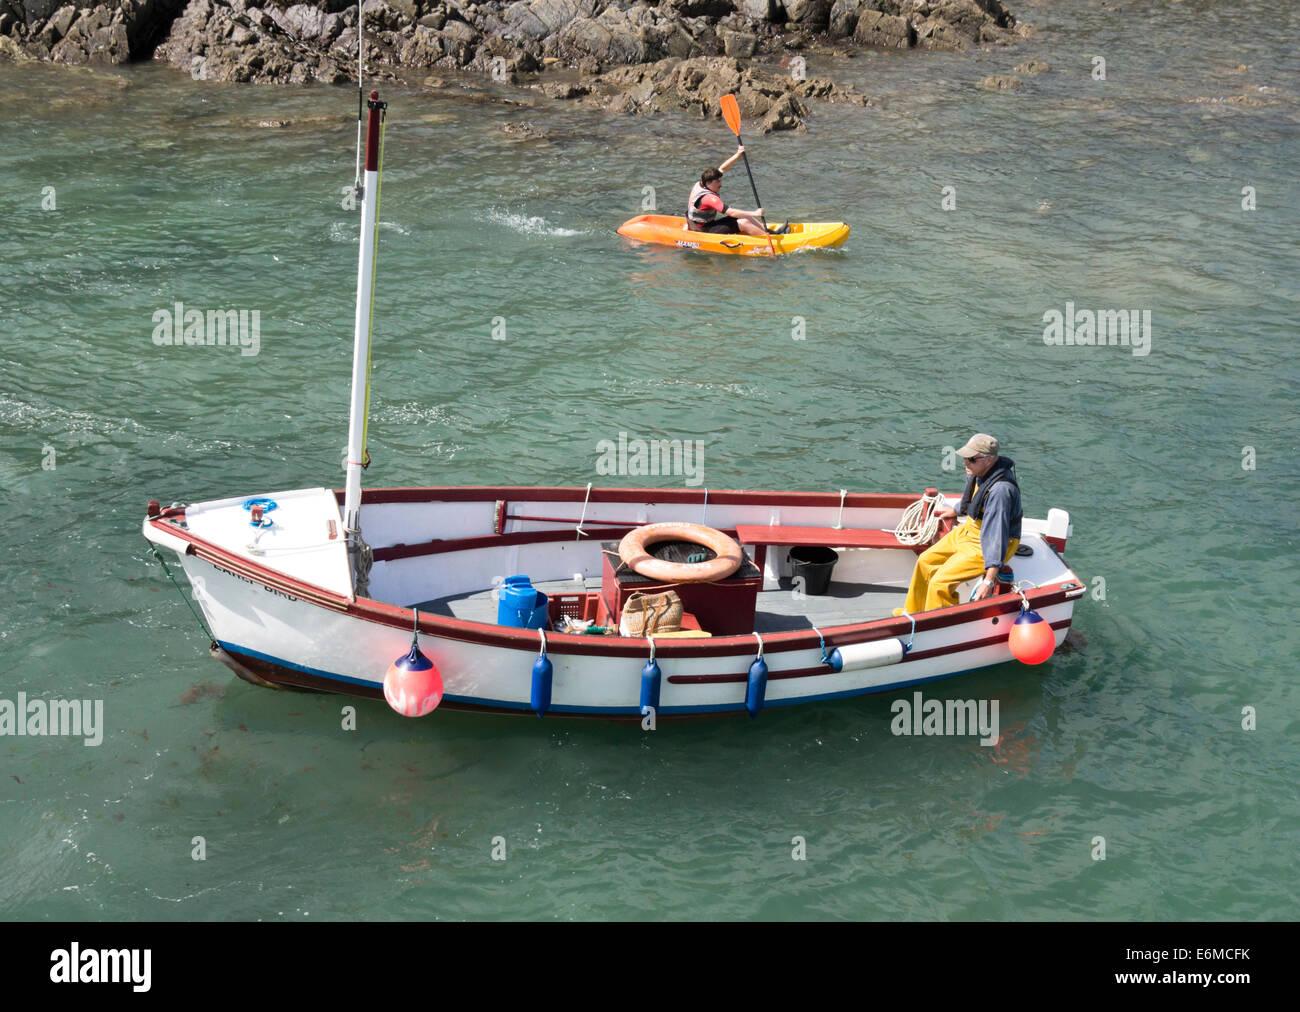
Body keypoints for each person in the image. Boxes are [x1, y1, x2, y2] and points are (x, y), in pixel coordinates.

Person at [894, 434, 1023, 615]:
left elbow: (996, 534)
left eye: (971, 459)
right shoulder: (979, 471)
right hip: (970, 529)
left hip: (987, 541)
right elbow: (973, 498)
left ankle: (936, 623)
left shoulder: (1000, 491)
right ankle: (913, 612)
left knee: (941, 582)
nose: (965, 463)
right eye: (964, 457)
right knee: (924, 561)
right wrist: (956, 510)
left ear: (990, 460)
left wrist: (989, 580)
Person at [686, 147, 784, 237]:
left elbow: (722, 169)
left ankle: (770, 232)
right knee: (743, 222)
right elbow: (731, 212)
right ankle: (769, 240)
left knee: (745, 216)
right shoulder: (709, 198)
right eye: (718, 182)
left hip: (708, 224)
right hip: (703, 231)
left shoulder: (701, 183)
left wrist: (738, 154)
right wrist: (755, 213)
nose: (721, 184)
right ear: (709, 183)